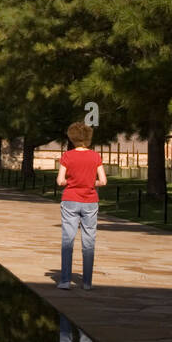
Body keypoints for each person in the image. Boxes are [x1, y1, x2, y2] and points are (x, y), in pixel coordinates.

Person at [56, 121, 106, 288]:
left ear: (72, 137)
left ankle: (64, 280)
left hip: (70, 199)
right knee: (89, 241)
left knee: (68, 240)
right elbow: (103, 181)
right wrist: (91, 182)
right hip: (90, 201)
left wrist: (70, 181)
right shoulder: (95, 156)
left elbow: (60, 180)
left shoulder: (67, 156)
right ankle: (87, 282)